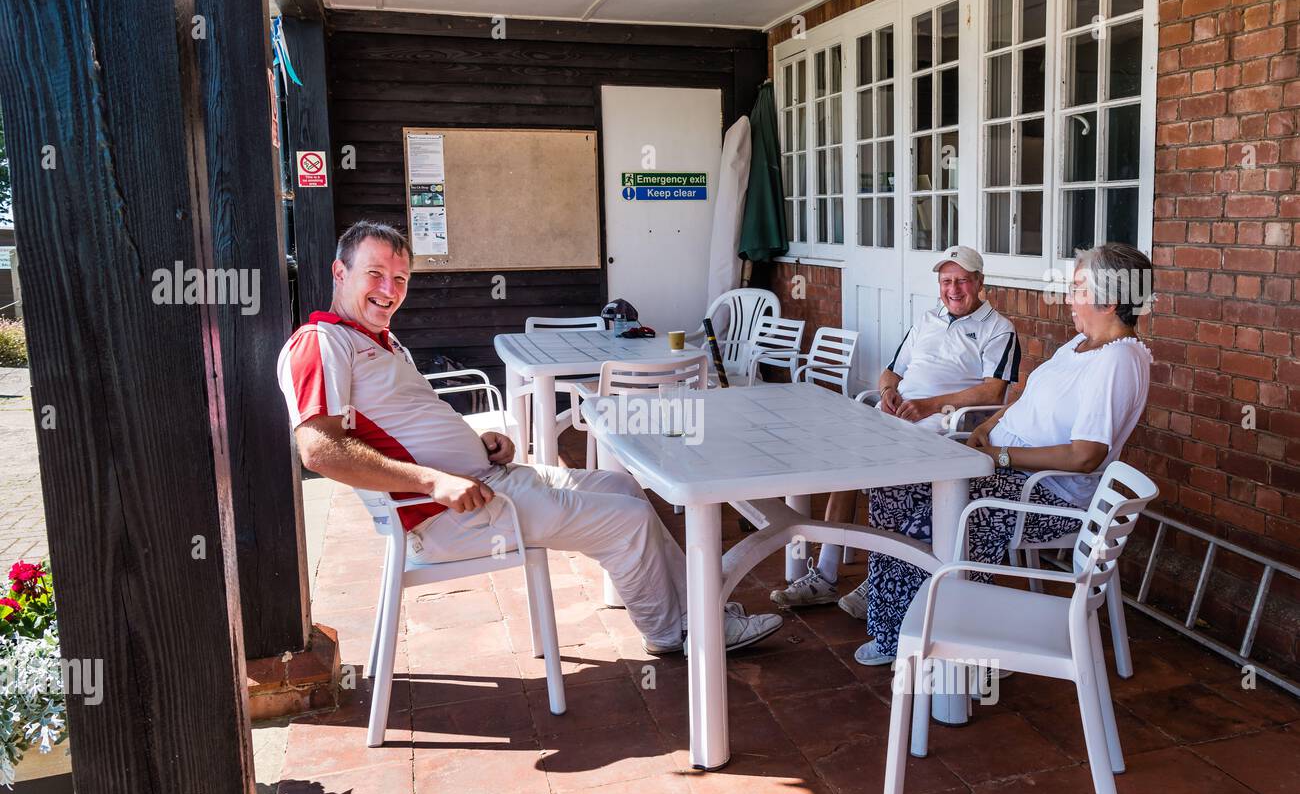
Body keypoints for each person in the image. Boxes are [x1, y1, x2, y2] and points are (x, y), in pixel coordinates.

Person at [277, 220, 782, 656]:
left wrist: (481, 442)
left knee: (623, 487)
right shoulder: (322, 342)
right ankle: (677, 632)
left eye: (400, 278)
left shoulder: (381, 341)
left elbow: (404, 424)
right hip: (448, 514)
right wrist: (434, 482)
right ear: (339, 272)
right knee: (626, 523)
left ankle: (698, 611)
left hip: (486, 481)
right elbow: (320, 450)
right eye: (375, 274)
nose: (389, 289)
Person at [850, 241, 1154, 665]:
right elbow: (1024, 399)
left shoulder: (1117, 361)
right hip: (1005, 468)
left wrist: (1001, 456)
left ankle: (952, 638)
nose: (1069, 298)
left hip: (1046, 494)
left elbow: (1084, 456)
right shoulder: (1079, 346)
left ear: (1110, 301)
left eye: (1078, 289)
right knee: (893, 488)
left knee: (937, 519)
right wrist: (987, 429)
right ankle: (893, 617)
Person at [771, 245, 1019, 615]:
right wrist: (888, 392)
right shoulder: (928, 319)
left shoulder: (998, 329)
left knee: (886, 476)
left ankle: (881, 579)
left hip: (944, 425)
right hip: (897, 414)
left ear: (980, 282)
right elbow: (891, 372)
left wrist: (929, 406)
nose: (953, 289)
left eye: (962, 281)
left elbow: (993, 391)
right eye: (946, 281)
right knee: (843, 465)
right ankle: (824, 573)